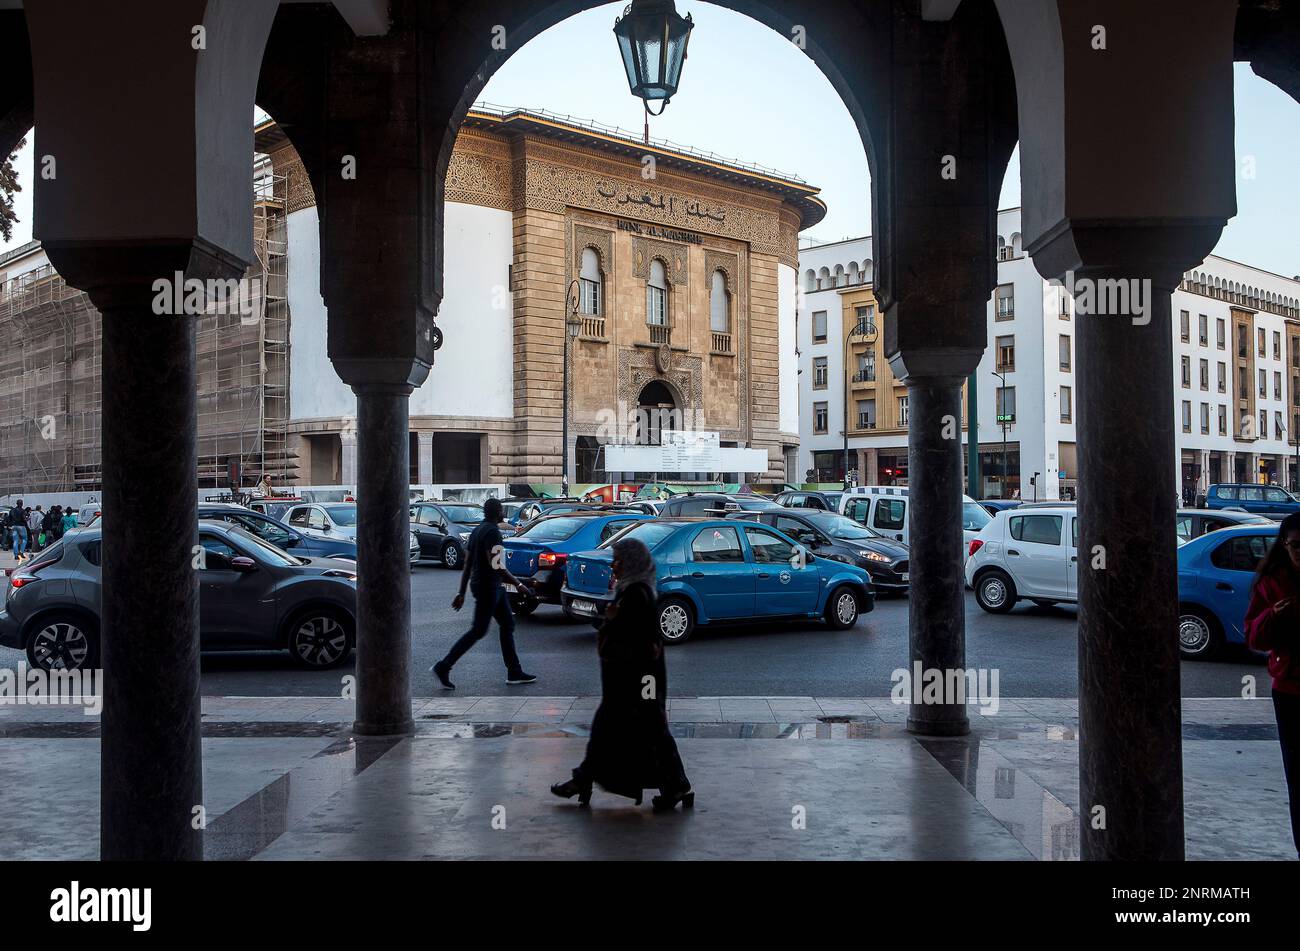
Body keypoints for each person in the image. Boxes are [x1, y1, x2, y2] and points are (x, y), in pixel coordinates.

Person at [550, 537, 692, 812]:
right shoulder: (636, 589)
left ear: (630, 563)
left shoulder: (636, 594)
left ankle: (585, 780)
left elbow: (637, 642)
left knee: (624, 729)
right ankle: (675, 785)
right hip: (635, 681)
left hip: (635, 681)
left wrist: (612, 619)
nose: (613, 566)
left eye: (618, 561)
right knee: (640, 730)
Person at [431, 496, 538, 688]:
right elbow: (496, 565)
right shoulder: (493, 533)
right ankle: (444, 666)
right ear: (498, 512)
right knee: (479, 630)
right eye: (501, 510)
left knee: (507, 624)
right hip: (490, 587)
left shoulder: (477, 531)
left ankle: (514, 671)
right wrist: (519, 585)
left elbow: (468, 564)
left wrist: (461, 592)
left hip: (484, 586)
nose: (503, 514)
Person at [1245, 511, 1300, 859]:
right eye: (1295, 546)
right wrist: (1275, 614)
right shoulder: (1273, 582)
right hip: (1292, 691)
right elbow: (1254, 636)